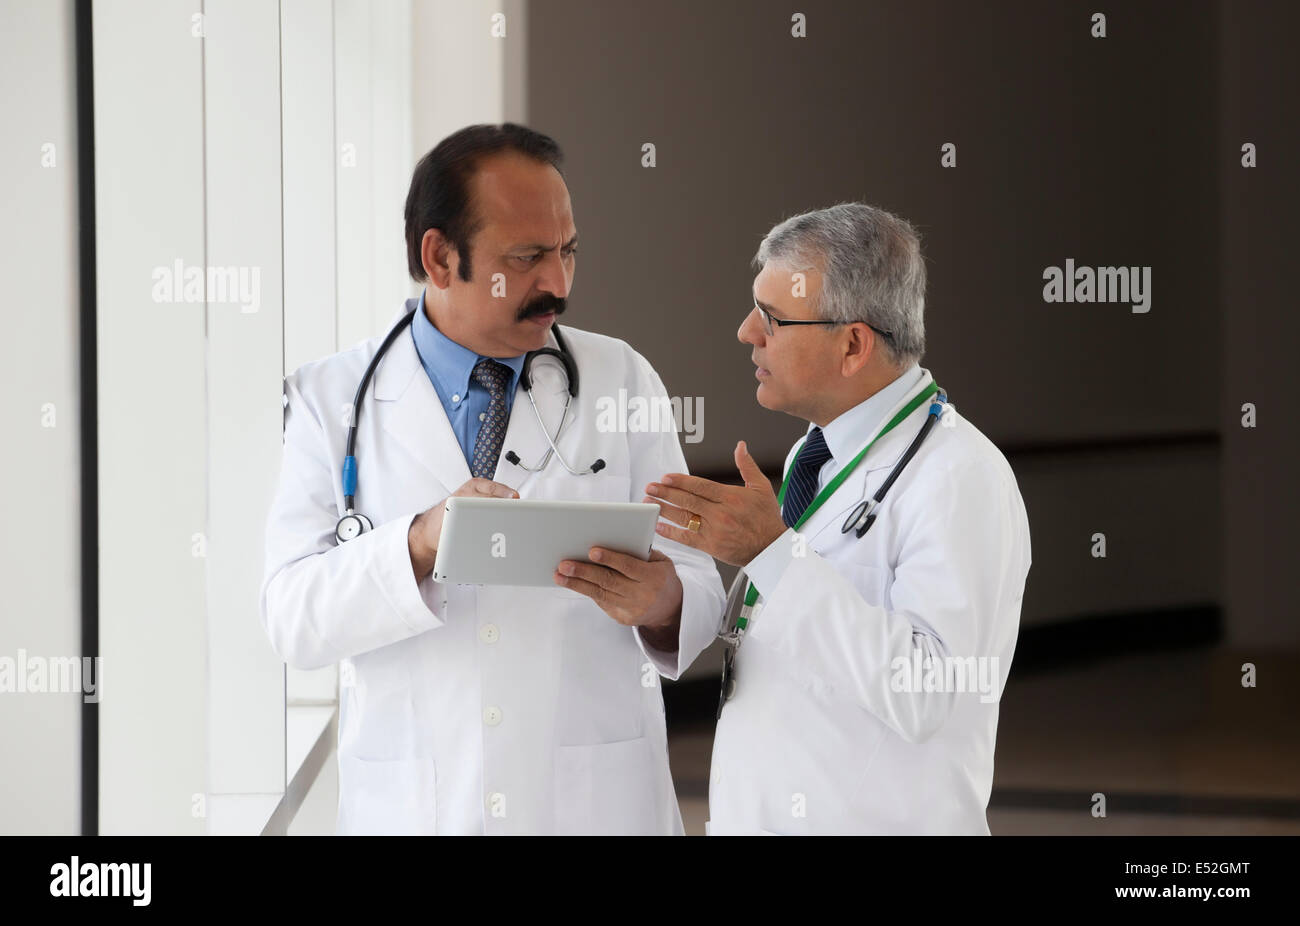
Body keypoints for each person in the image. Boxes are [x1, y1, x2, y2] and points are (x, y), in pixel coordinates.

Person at [259, 123, 724, 835]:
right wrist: (416, 544)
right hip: (419, 806)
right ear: (440, 257)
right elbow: (292, 620)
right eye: (527, 257)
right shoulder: (330, 399)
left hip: (589, 803)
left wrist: (663, 601)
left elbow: (697, 589)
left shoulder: (622, 379)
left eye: (568, 252)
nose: (558, 284)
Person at [646, 203, 1031, 834]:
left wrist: (771, 553)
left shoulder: (961, 475)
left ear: (853, 344)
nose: (747, 331)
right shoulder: (818, 454)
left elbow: (924, 692)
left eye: (772, 317)